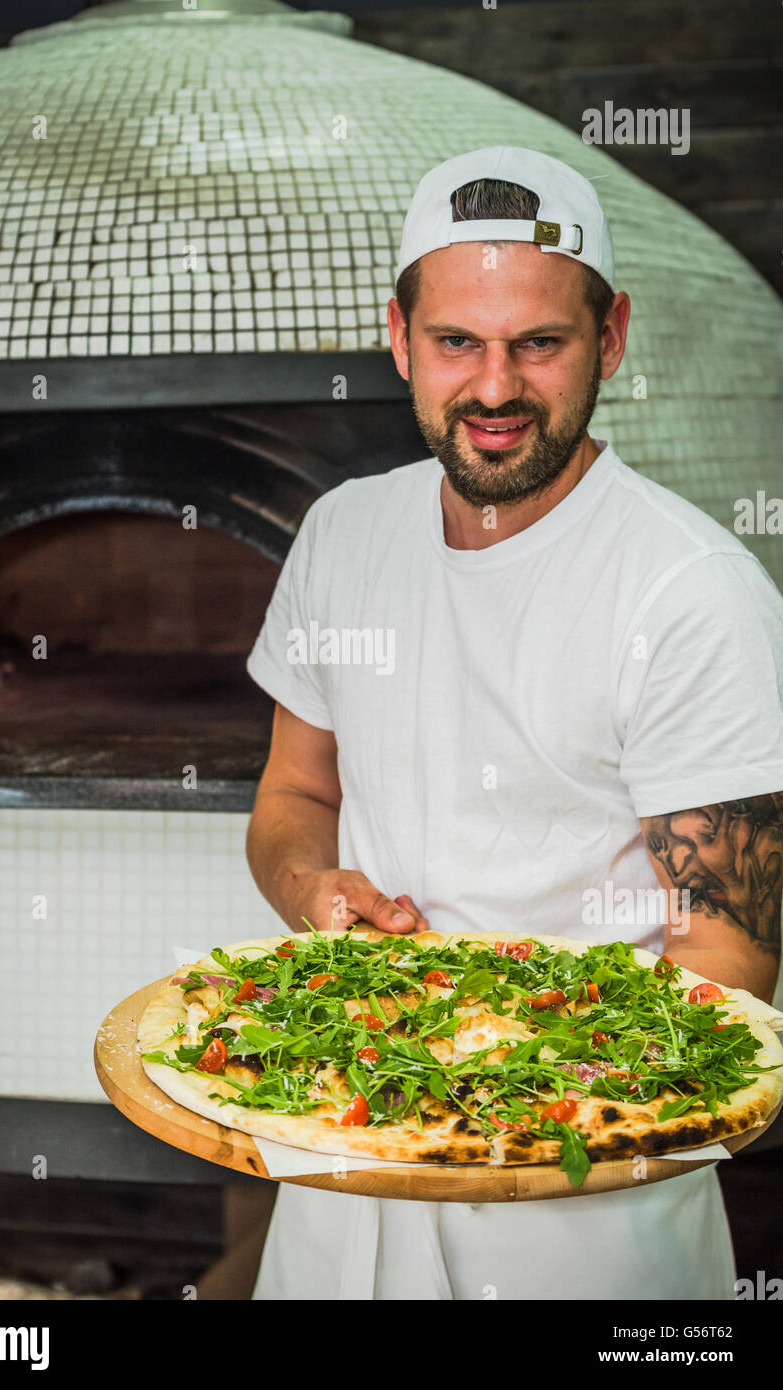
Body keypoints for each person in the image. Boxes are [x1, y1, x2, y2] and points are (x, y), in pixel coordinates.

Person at [242, 146, 783, 1300]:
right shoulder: (343, 536)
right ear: (400, 339)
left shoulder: (690, 589)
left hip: (587, 1199)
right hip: (347, 1154)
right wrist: (312, 893)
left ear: (612, 336)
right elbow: (293, 797)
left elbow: (730, 950)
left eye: (539, 343)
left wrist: (490, 1078)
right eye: (457, 343)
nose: (494, 389)